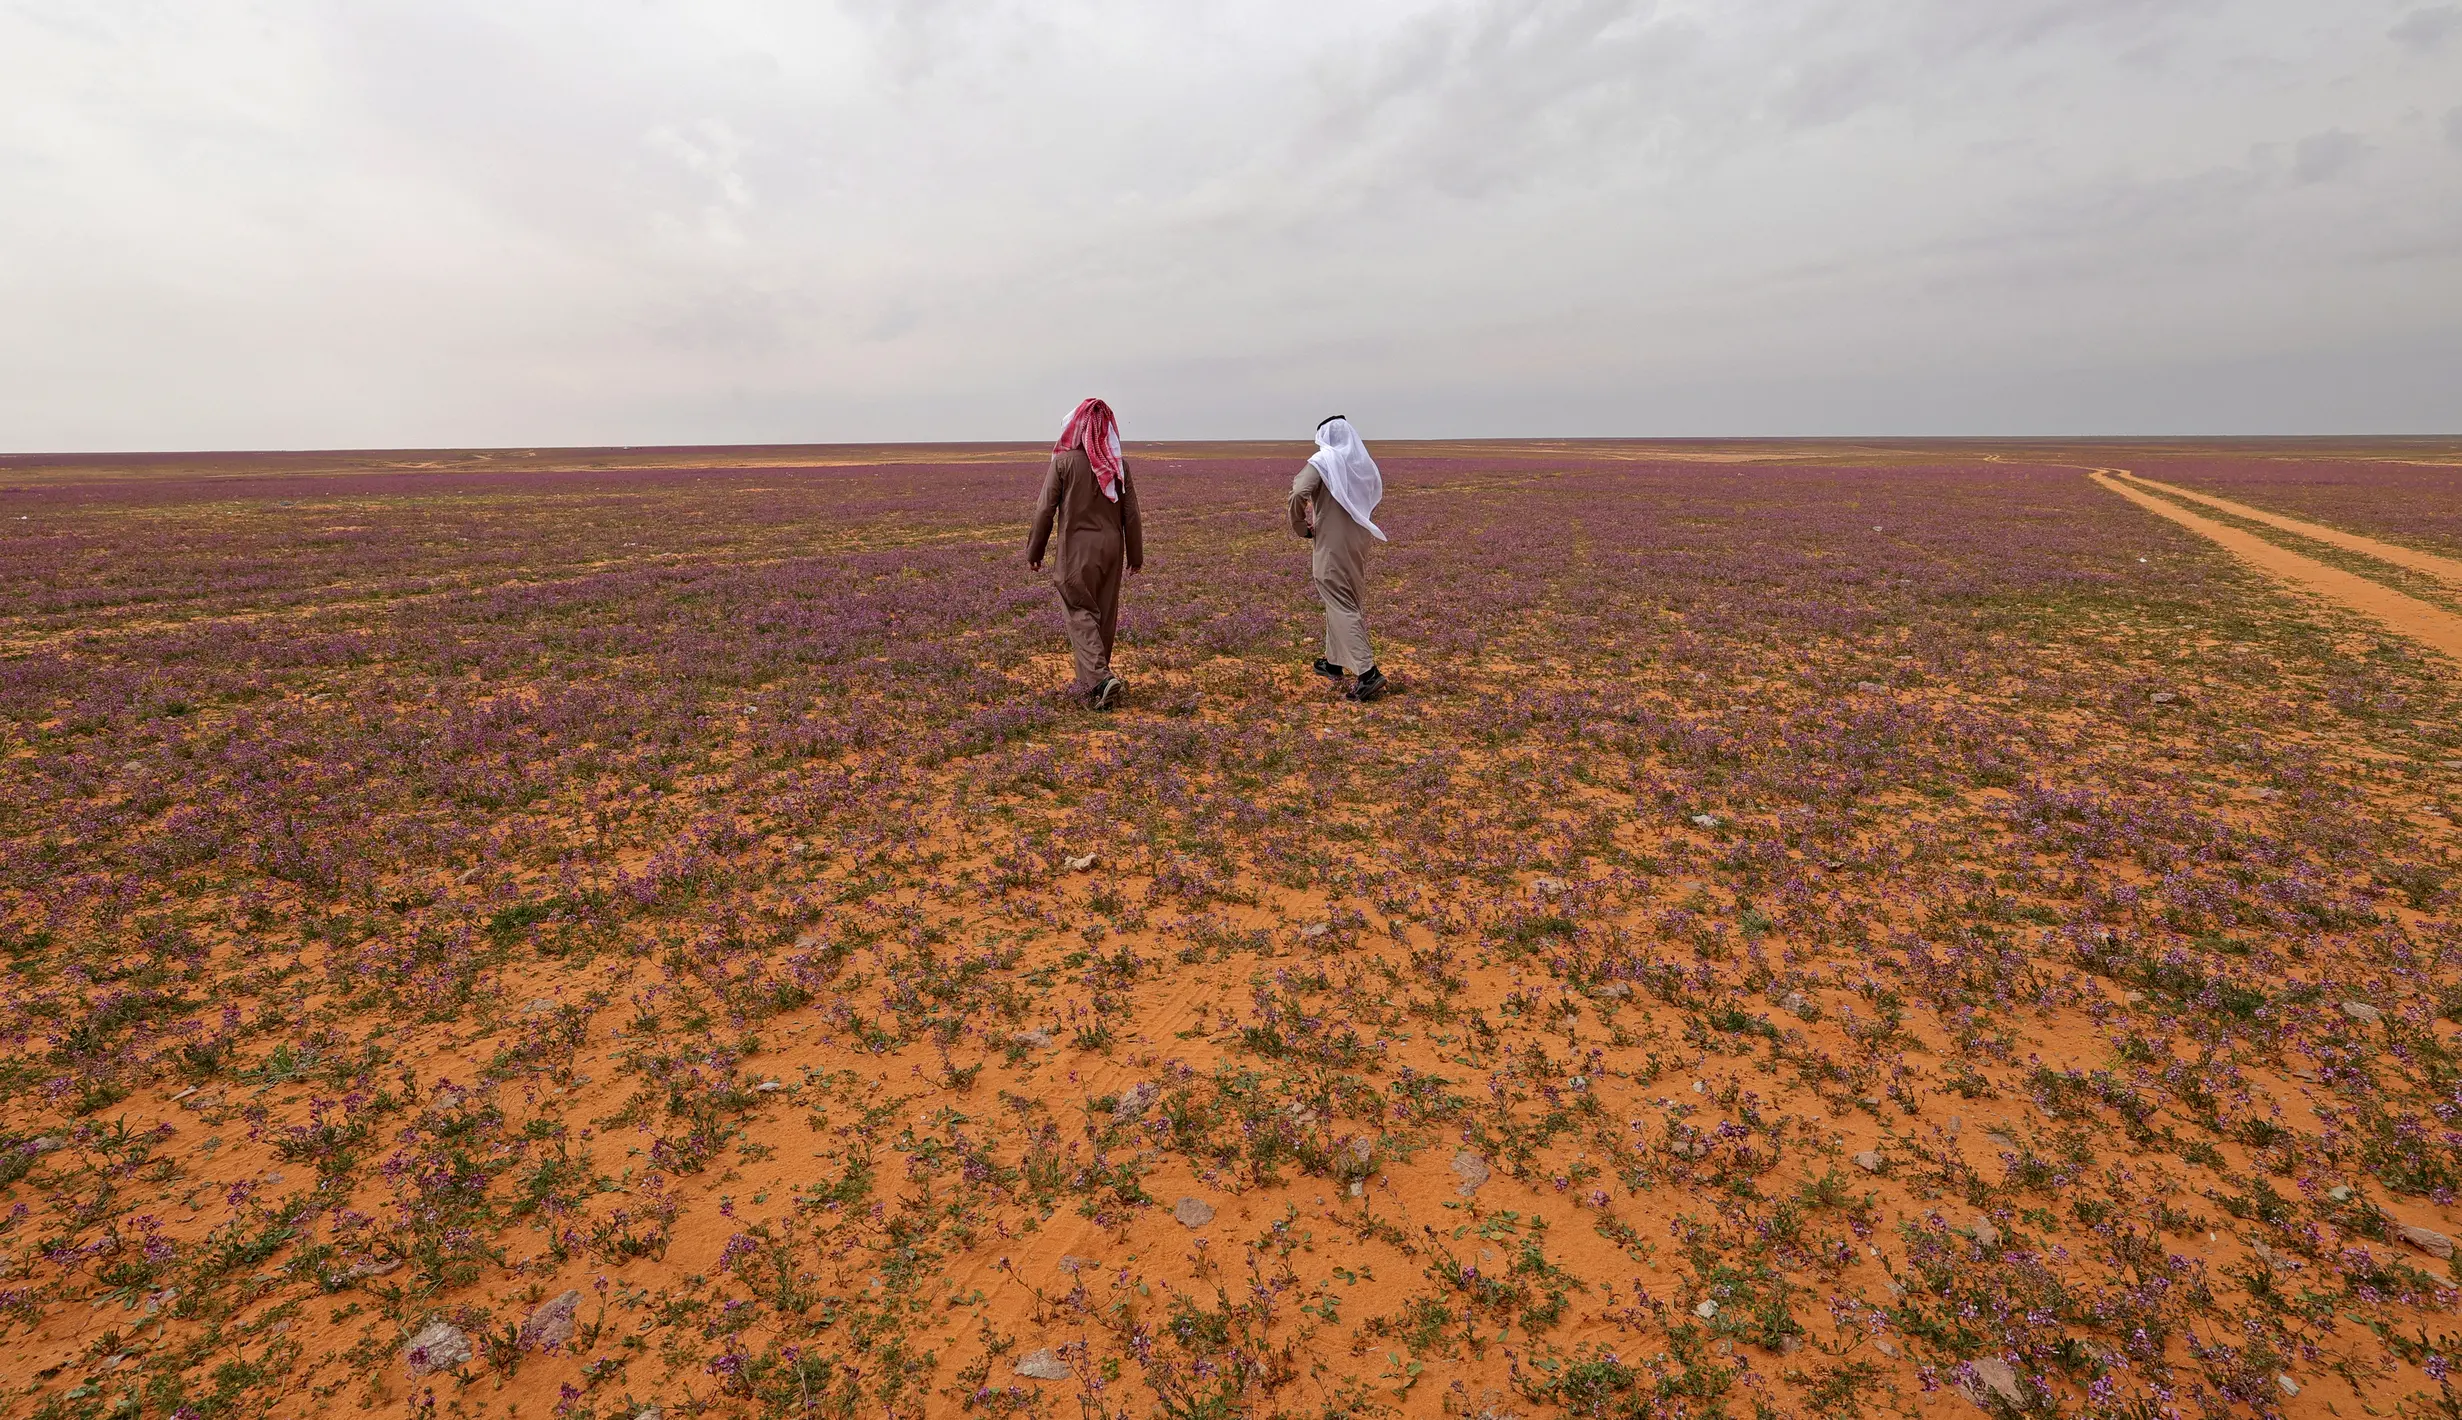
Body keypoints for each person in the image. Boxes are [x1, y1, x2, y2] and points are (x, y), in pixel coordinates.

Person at [1028, 397, 1144, 709]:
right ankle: (1095, 688)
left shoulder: (1063, 464)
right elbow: (1131, 514)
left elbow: (1044, 510)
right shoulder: (1118, 466)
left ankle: (1101, 679)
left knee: (1079, 611)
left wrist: (1034, 550)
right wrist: (1135, 556)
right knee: (1103, 616)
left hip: (1076, 550)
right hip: (1111, 549)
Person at [1289, 415, 1387, 702]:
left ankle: (1368, 673)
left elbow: (1298, 492)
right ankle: (1333, 662)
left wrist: (1299, 526)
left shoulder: (1323, 461)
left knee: (1341, 602)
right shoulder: (1361, 464)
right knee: (1345, 599)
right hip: (1358, 541)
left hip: (1331, 544)